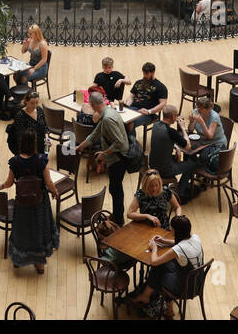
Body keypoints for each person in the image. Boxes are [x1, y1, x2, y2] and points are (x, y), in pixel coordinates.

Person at [0, 129, 60, 273]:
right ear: (33, 144)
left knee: (22, 231)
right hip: (39, 203)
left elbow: (9, 182)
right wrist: (55, 193)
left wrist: (0, 186)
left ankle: (18, 260)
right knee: (39, 230)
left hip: (22, 203)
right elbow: (49, 182)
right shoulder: (41, 160)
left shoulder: (15, 161)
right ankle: (39, 264)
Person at [125, 215, 202, 319]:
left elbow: (154, 261)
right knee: (163, 265)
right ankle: (148, 297)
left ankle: (161, 305)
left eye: (171, 229)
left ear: (177, 231)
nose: (170, 230)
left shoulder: (179, 249)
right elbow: (181, 243)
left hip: (184, 288)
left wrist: (154, 248)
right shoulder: (195, 238)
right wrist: (164, 241)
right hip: (197, 282)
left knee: (159, 268)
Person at [76, 90, 130, 225]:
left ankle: (118, 219)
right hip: (116, 157)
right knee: (115, 188)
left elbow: (120, 142)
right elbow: (95, 133)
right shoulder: (108, 112)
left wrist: (104, 153)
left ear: (93, 105)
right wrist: (80, 146)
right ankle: (117, 216)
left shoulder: (107, 119)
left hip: (118, 158)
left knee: (116, 190)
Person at [149, 105, 199, 202]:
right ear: (172, 117)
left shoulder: (156, 125)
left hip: (153, 164)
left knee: (184, 161)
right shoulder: (171, 132)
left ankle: (180, 188)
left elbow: (163, 141)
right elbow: (188, 147)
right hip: (165, 169)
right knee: (193, 164)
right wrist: (183, 128)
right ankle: (180, 192)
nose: (177, 118)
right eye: (176, 116)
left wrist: (175, 147)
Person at [186, 96, 226, 175]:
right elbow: (190, 130)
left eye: (200, 108)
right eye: (197, 107)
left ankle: (200, 173)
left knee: (203, 157)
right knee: (188, 151)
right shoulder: (196, 112)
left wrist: (202, 123)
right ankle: (194, 171)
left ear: (208, 109)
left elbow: (210, 136)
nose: (198, 110)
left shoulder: (214, 117)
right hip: (203, 142)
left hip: (216, 144)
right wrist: (191, 121)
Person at [7, 89, 48, 156]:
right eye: (32, 103)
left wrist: (47, 139)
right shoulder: (20, 115)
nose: (35, 105)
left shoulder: (39, 109)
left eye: (37, 103)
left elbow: (45, 128)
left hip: (42, 145)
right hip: (28, 149)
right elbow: (20, 137)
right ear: (26, 101)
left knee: (45, 161)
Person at [126, 62, 168, 129]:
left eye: (147, 74)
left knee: (129, 122)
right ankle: (129, 138)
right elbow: (131, 97)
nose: (145, 75)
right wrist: (127, 106)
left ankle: (131, 139)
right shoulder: (138, 82)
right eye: (144, 73)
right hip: (133, 109)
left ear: (153, 72)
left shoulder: (160, 87)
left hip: (148, 113)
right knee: (120, 118)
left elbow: (163, 104)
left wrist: (149, 111)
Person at [13, 24, 50, 88]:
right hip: (31, 64)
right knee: (16, 75)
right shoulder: (30, 40)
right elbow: (23, 51)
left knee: (24, 77)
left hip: (40, 68)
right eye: (28, 33)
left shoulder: (42, 44)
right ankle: (20, 92)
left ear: (36, 34)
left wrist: (34, 69)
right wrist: (25, 45)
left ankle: (26, 95)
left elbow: (44, 59)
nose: (28, 35)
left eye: (30, 34)